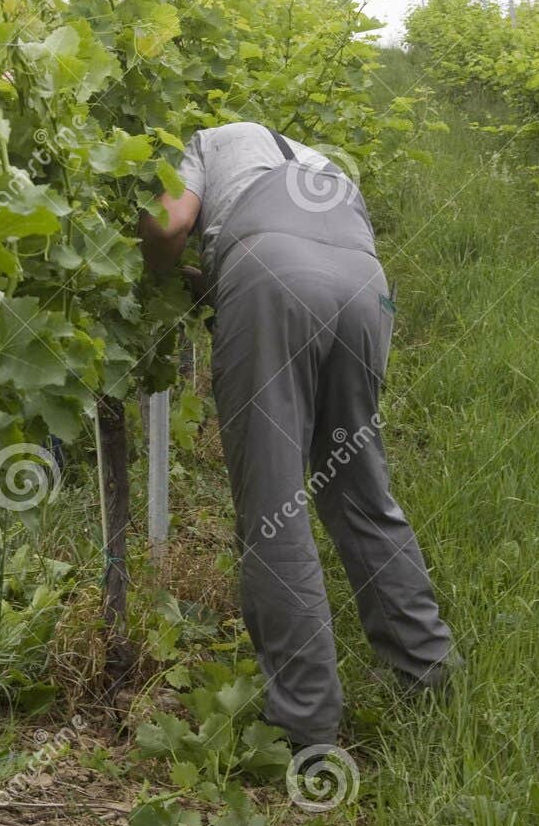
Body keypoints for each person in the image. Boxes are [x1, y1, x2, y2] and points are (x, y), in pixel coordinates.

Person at [139, 120, 459, 752]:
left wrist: (157, 276)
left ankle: (307, 726)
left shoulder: (206, 141)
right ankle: (427, 672)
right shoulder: (319, 162)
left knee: (273, 506)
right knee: (360, 488)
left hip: (268, 272)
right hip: (366, 287)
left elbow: (171, 226)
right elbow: (308, 258)